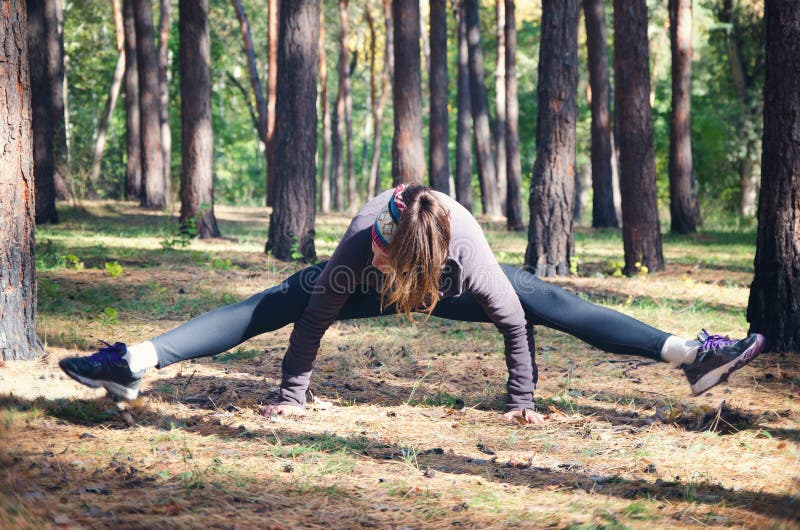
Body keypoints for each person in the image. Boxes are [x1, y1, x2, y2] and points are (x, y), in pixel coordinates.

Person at [59, 184, 765, 424]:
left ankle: (687, 355)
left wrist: (521, 400)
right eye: (375, 248)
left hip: (450, 290)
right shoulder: (363, 240)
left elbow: (513, 323)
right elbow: (312, 323)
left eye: (383, 254)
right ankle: (133, 362)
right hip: (372, 294)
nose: (373, 253)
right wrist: (292, 393)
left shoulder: (468, 252)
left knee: (546, 297)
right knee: (279, 298)